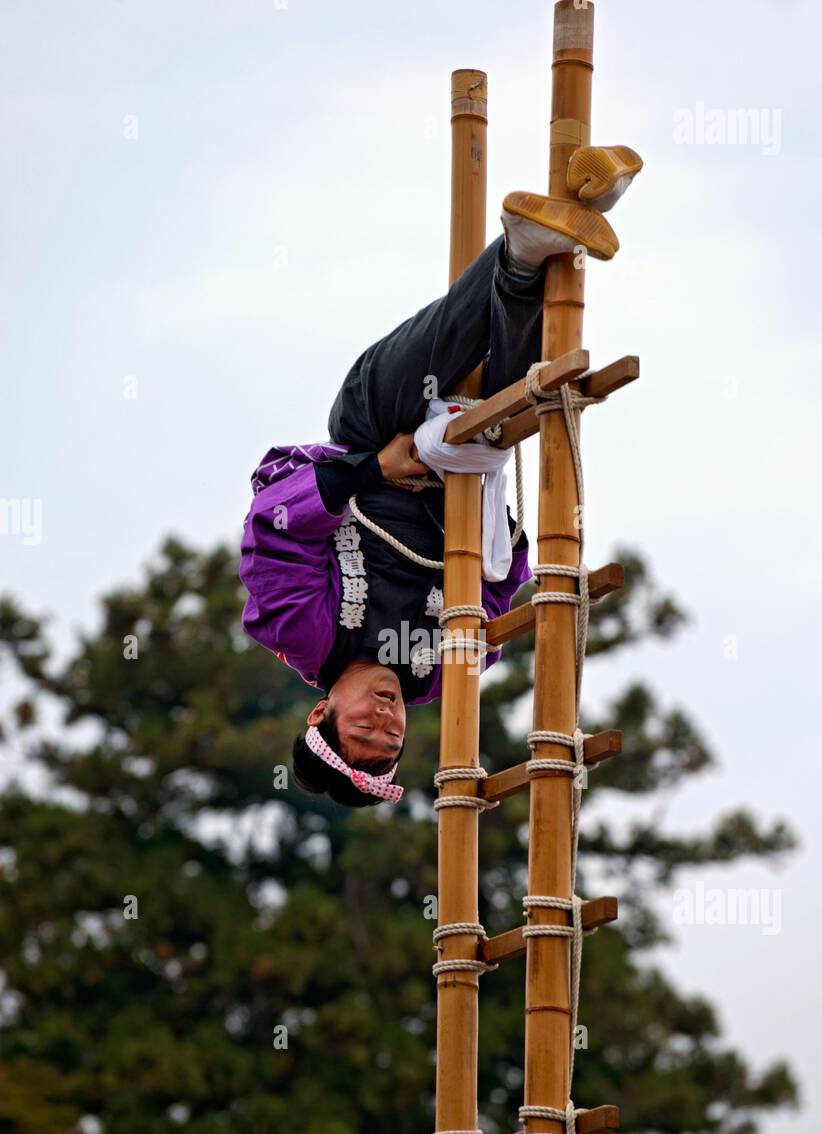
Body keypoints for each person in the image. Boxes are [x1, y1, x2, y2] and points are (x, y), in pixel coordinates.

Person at [239, 187, 622, 808]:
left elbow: (277, 528)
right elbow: (497, 588)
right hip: (463, 480)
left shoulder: (301, 632)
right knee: (517, 387)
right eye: (390, 741)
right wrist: (498, 523)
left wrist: (378, 466)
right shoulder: (445, 673)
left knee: (442, 346)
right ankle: (568, 216)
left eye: (362, 726)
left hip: (374, 433)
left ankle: (521, 247)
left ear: (321, 710)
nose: (385, 720)